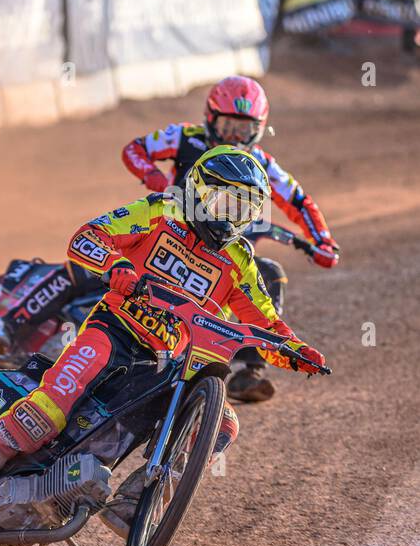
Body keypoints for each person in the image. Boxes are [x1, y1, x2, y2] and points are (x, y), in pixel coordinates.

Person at [0, 146, 329, 537]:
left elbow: (268, 324)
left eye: (244, 210)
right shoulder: (162, 211)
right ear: (199, 192)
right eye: (226, 203)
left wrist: (298, 352)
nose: (232, 218)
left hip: (163, 364)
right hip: (114, 329)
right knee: (48, 411)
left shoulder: (239, 260)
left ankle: (134, 503)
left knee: (224, 423)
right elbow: (86, 237)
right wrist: (117, 264)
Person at [122, 75, 339, 401]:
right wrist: (154, 179)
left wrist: (323, 240)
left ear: (259, 128)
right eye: (227, 127)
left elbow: (297, 200)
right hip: (168, 233)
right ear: (210, 119)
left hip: (223, 250)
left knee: (267, 273)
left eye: (244, 129)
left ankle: (248, 371)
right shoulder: (184, 136)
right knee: (118, 246)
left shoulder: (262, 164)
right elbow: (135, 149)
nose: (235, 137)